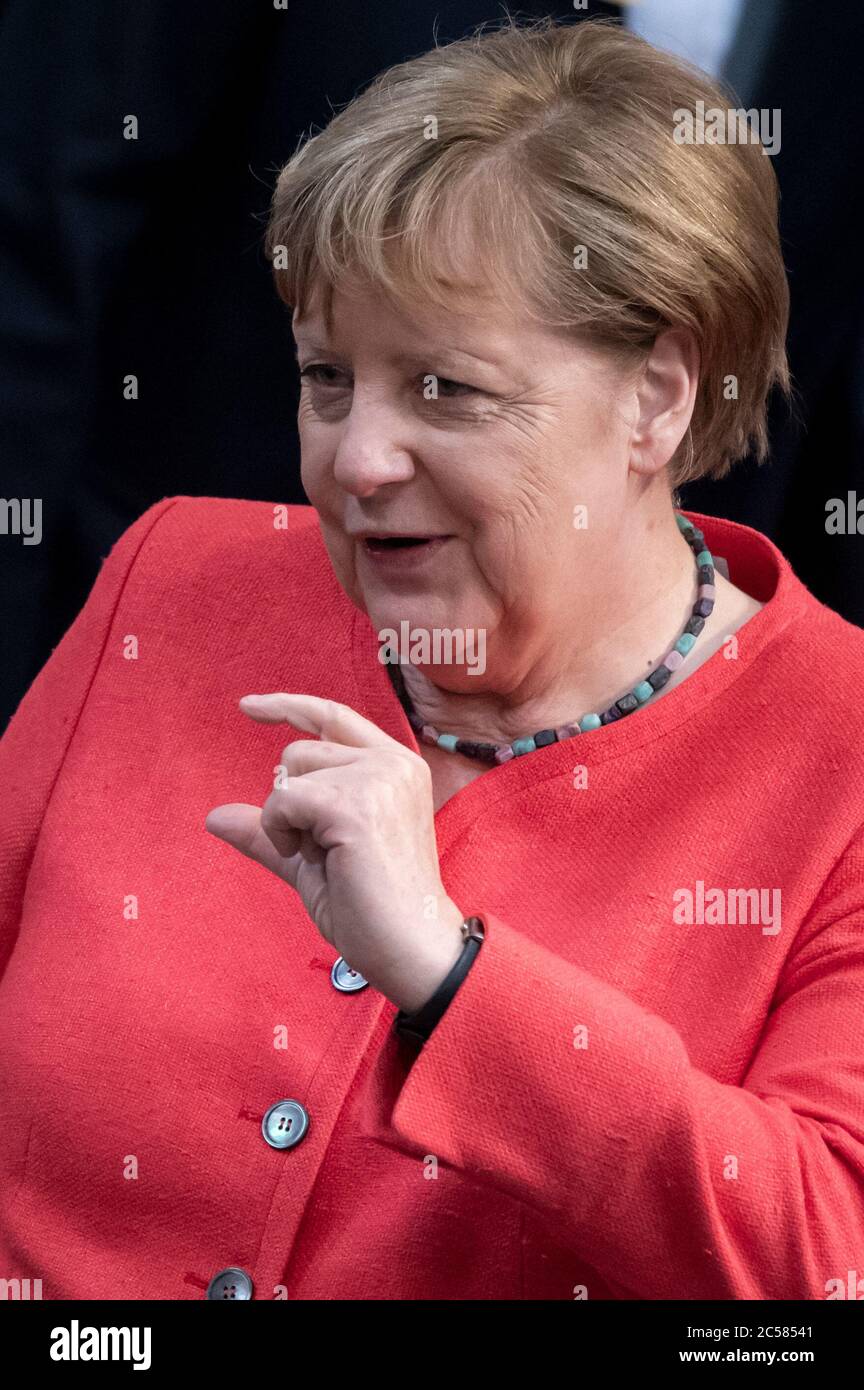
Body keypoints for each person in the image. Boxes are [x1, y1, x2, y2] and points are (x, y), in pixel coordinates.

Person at [1, 16, 862, 1302]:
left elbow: (817, 1259)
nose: (357, 459)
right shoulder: (174, 580)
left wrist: (454, 978)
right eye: (328, 377)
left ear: (657, 398)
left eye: (447, 389)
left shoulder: (839, 751)